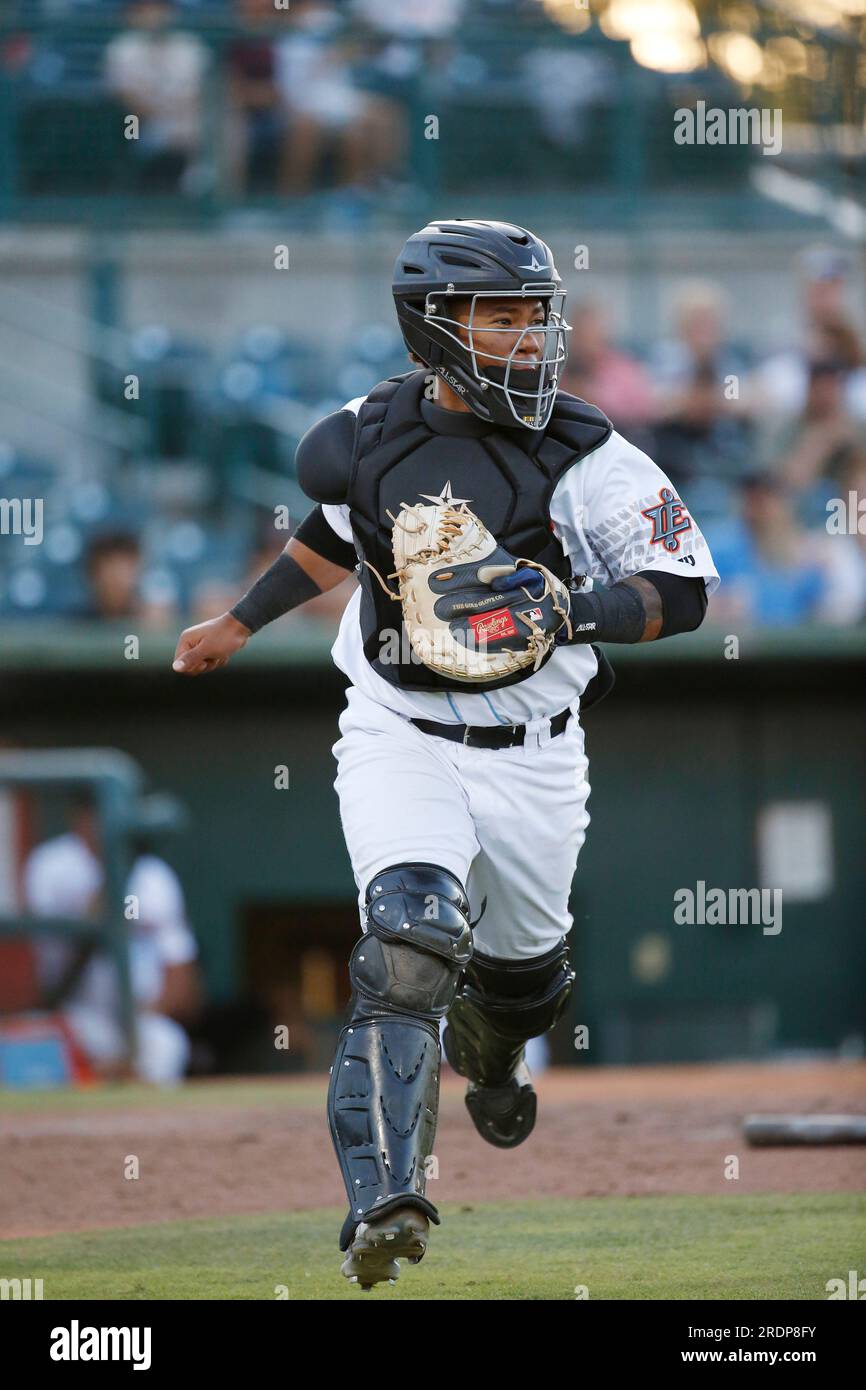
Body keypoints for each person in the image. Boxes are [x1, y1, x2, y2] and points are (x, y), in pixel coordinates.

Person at [173, 219, 718, 1289]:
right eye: (501, 315)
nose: (528, 337)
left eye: (535, 315)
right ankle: (384, 1198)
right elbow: (336, 532)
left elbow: (685, 593)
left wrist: (574, 610)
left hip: (534, 750)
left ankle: (499, 1050)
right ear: (434, 324)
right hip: (398, 730)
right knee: (407, 941)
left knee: (520, 985)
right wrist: (243, 617)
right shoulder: (364, 434)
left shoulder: (590, 453)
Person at [24, 795, 202, 1085]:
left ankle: (145, 1127)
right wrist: (110, 887)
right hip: (78, 1012)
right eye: (97, 817)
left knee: (167, 1043)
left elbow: (179, 968)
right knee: (46, 1047)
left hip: (141, 1012)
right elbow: (50, 957)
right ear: (80, 819)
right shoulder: (52, 865)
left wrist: (148, 1013)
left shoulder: (153, 875)